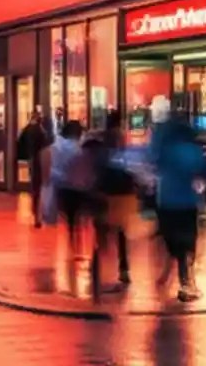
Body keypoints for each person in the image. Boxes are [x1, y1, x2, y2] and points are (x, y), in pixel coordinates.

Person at [150, 108, 206, 302]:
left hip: (165, 201)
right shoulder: (195, 151)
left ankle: (168, 275)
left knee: (171, 240)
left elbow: (154, 167)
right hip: (187, 202)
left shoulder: (164, 148)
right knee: (187, 243)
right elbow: (204, 176)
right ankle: (186, 282)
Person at [95, 110, 137, 286]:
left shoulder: (102, 141)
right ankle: (123, 268)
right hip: (121, 192)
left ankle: (98, 266)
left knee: (103, 230)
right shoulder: (123, 143)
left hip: (106, 191)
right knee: (120, 232)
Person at [54, 120, 91, 253]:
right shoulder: (78, 149)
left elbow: (55, 168)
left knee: (70, 215)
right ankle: (77, 241)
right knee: (79, 215)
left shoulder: (58, 147)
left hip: (64, 186)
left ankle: (72, 239)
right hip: (77, 187)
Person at [17, 109, 51, 227]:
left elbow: (20, 143)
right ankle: (38, 214)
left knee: (35, 187)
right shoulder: (40, 130)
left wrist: (24, 156)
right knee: (40, 187)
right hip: (39, 159)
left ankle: (36, 212)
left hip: (32, 159)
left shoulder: (27, 129)